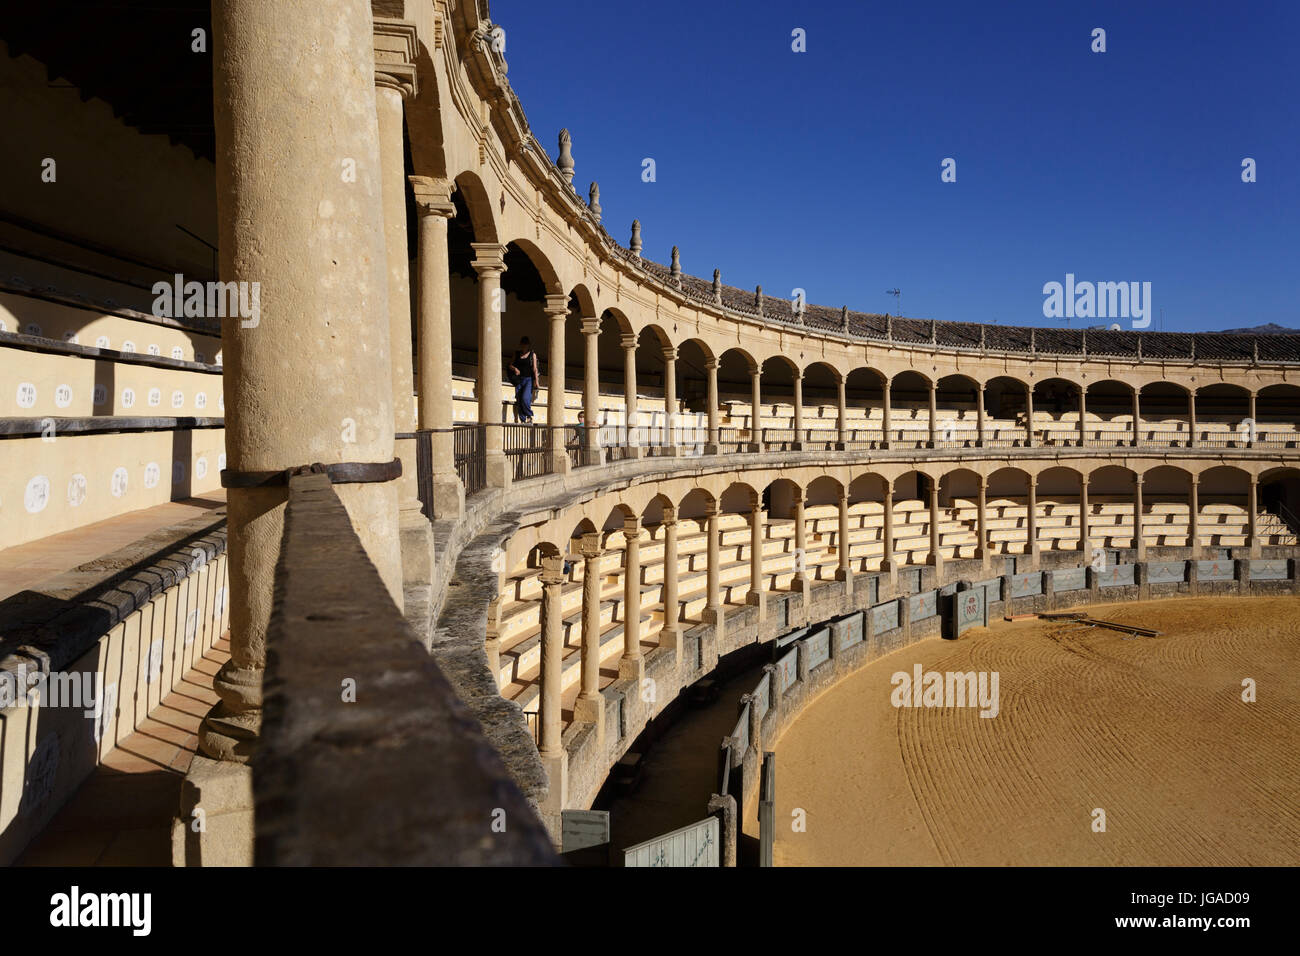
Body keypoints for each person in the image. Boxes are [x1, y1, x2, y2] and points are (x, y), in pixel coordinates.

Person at [508, 336, 539, 423]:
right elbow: (510, 365)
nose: (524, 346)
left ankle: (529, 415)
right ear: (520, 345)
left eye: (526, 344)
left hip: (528, 379)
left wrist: (536, 381)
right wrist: (515, 369)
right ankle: (522, 419)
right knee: (519, 398)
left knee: (525, 398)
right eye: (523, 344)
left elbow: (535, 369)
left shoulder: (532, 354)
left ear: (528, 345)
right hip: (518, 379)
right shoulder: (516, 354)